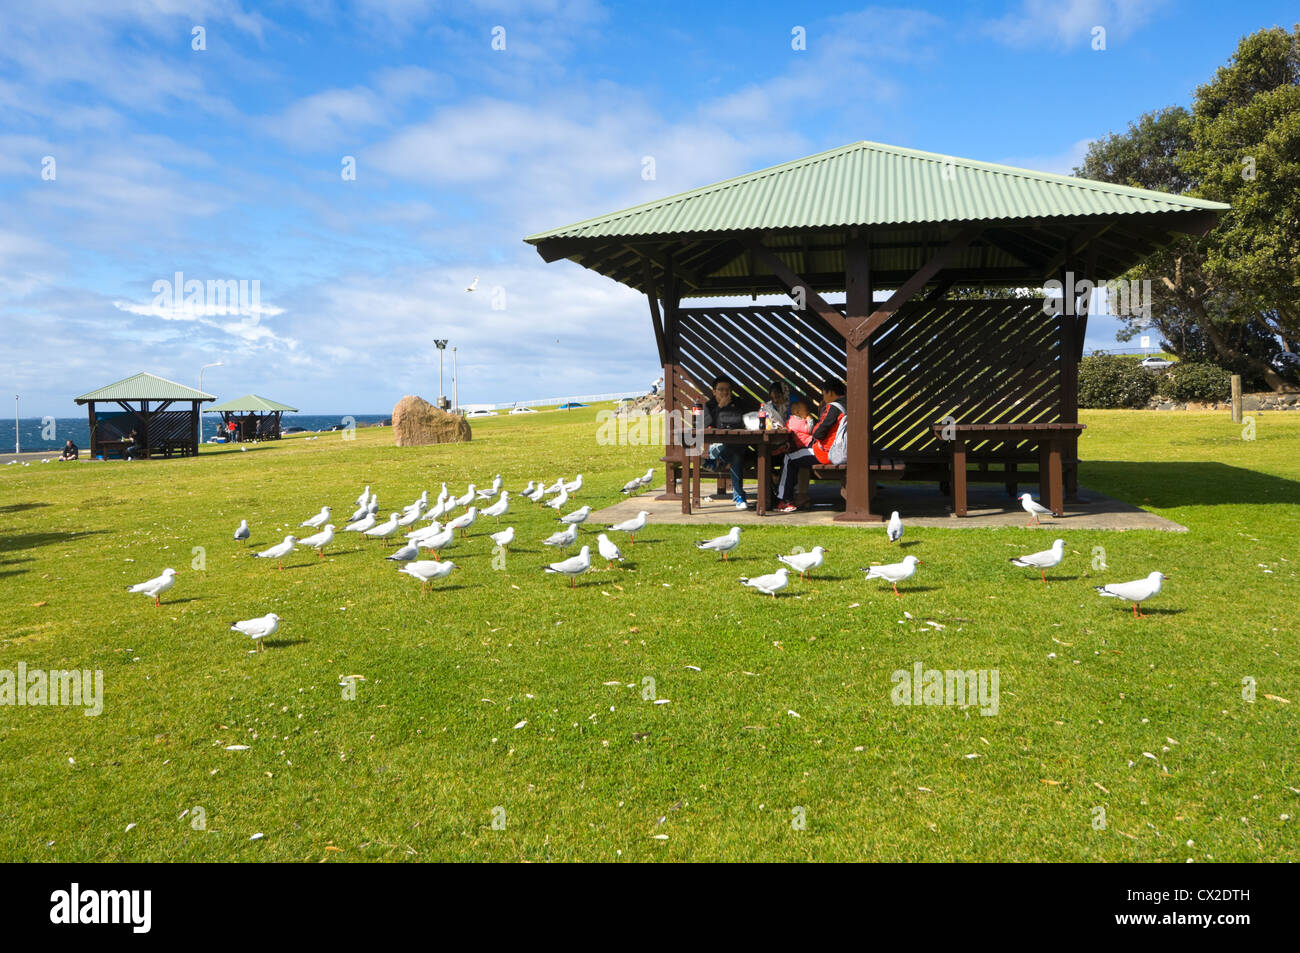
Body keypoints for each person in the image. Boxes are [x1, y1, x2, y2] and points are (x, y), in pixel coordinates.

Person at [775, 380, 846, 512]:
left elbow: (818, 432)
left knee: (789, 458)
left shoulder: (833, 407)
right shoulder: (848, 405)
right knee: (799, 456)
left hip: (828, 452)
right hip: (844, 451)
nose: (823, 397)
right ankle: (798, 495)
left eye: (823, 393)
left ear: (829, 392)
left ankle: (784, 500)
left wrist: (821, 413)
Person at [700, 376, 752, 509]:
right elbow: (703, 427)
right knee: (736, 454)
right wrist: (719, 407)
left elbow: (750, 420)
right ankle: (739, 497)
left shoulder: (739, 403)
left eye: (728, 390)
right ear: (714, 392)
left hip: (739, 444)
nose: (724, 393)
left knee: (736, 452)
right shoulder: (709, 406)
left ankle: (718, 463)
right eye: (721, 389)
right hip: (716, 447)